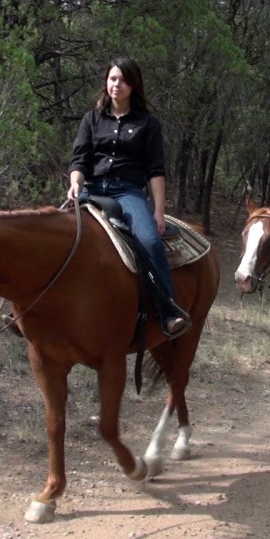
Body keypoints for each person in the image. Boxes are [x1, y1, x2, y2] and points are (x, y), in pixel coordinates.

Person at [66, 57, 190, 339]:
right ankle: (33, 309)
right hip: (91, 188)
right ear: (106, 82)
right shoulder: (91, 119)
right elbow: (80, 161)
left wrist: (158, 211)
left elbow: (155, 171)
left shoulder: (148, 124)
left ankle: (167, 310)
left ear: (133, 85)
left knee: (149, 241)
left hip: (127, 192)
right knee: (53, 232)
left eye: (122, 80)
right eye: (112, 78)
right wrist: (75, 184)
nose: (116, 85)